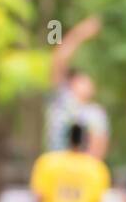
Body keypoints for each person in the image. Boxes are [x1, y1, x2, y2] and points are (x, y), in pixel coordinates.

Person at [46, 15, 109, 160]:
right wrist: (81, 32)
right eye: (85, 80)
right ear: (73, 82)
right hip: (57, 166)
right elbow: (58, 59)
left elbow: (99, 147)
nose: (90, 84)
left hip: (83, 171)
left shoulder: (96, 113)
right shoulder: (61, 99)